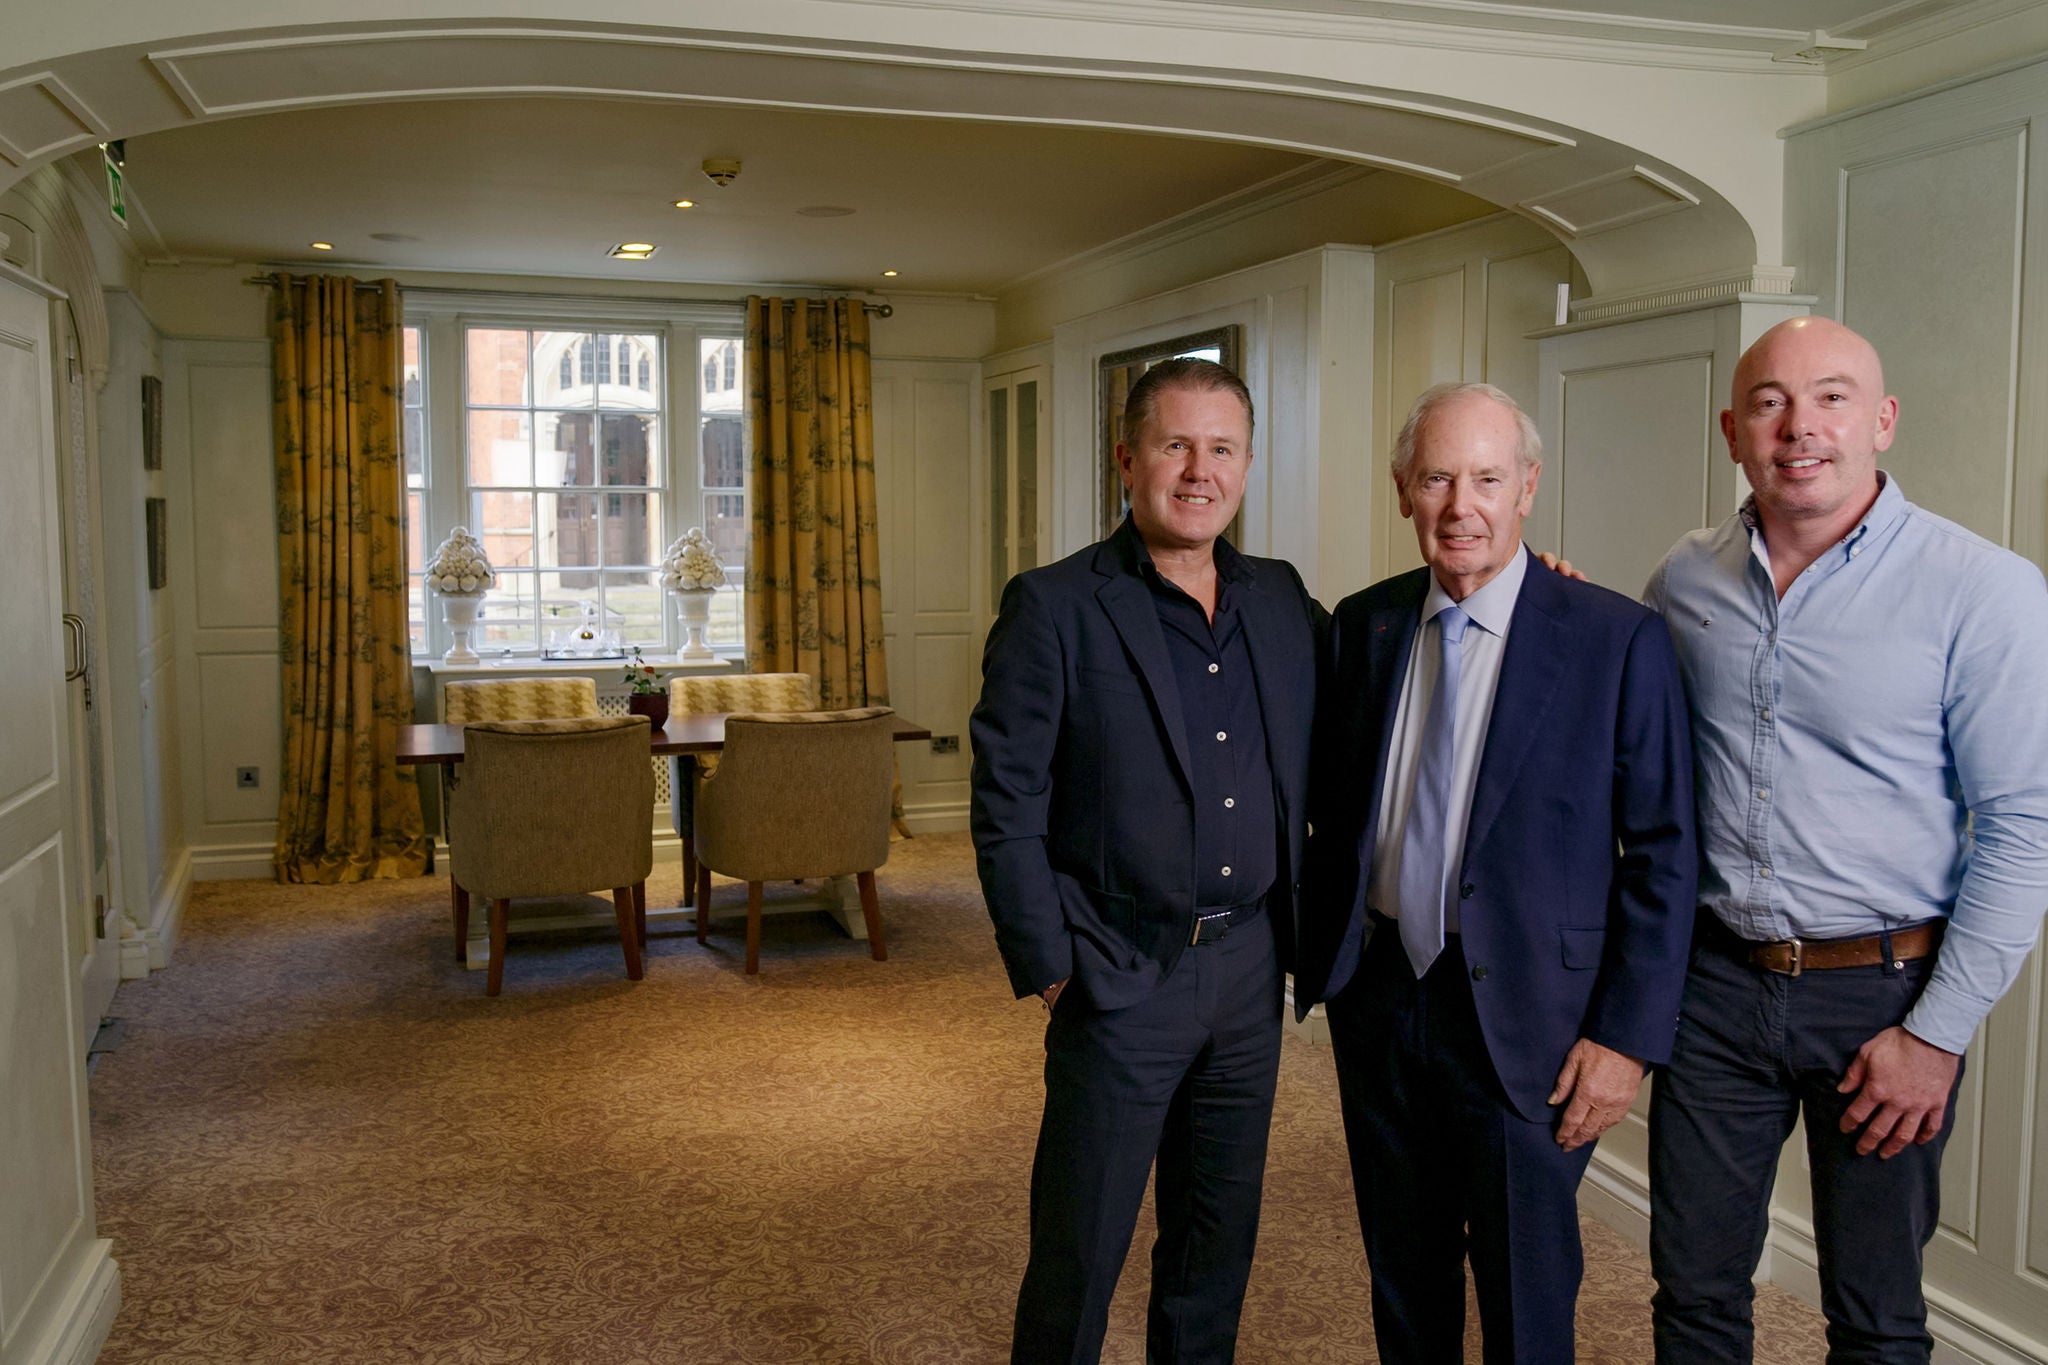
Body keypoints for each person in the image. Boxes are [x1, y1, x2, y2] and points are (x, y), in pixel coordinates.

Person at [1642, 316, 2048, 1364]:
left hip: (1885, 1000)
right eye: (1769, 402)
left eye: (1828, 397)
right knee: (1691, 1292)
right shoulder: (1680, 584)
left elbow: (2021, 830)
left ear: (1881, 420)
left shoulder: (1983, 590)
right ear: (1732, 430)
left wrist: (1935, 1036)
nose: (1798, 427)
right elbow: (1620, 739)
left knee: (1873, 1318)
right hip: (1712, 994)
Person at [1295, 381, 1697, 1363]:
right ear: (1401, 490)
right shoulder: (1365, 623)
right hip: (1383, 998)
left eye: (1485, 478)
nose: (1459, 505)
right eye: (1435, 478)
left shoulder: (1613, 638)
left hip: (1531, 1020)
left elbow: (1662, 855)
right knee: (1403, 1275)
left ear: (1527, 487)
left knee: (1525, 1298)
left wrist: (1625, 1041)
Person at [969, 357, 1319, 1364]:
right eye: (1174, 445)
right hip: (1117, 971)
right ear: (1127, 460)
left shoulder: (1282, 600)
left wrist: (1520, 581)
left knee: (1216, 1240)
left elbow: (1388, 664)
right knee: (1080, 1247)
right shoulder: (1055, 606)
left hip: (1249, 970)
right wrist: (1048, 958)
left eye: (1220, 449)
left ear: (1246, 465)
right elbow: (1007, 796)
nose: (1197, 470)